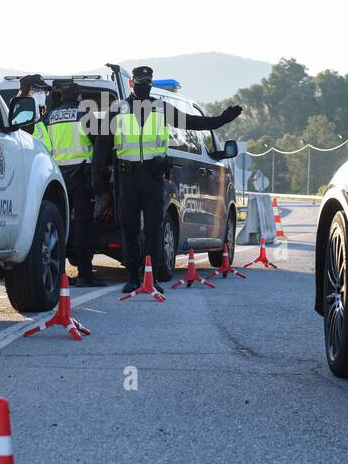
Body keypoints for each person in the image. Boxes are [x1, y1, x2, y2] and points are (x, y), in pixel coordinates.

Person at [98, 65, 242, 293]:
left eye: (147, 82)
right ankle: (134, 277)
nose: (144, 85)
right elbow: (102, 145)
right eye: (140, 81)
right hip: (128, 178)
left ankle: (151, 278)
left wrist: (220, 121)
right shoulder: (118, 109)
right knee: (130, 229)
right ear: (131, 83)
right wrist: (98, 177)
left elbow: (193, 122)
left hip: (154, 178)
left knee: (154, 229)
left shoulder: (160, 108)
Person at [45, 80, 103, 287]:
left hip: (57, 176)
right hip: (80, 176)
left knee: (58, 227)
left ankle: (59, 274)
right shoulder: (84, 114)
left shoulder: (50, 117)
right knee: (82, 226)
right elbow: (100, 143)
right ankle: (85, 274)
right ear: (79, 97)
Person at [16, 73, 52, 152]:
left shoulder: (38, 116)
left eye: (44, 91)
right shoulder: (22, 117)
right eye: (38, 90)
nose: (43, 94)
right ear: (25, 91)